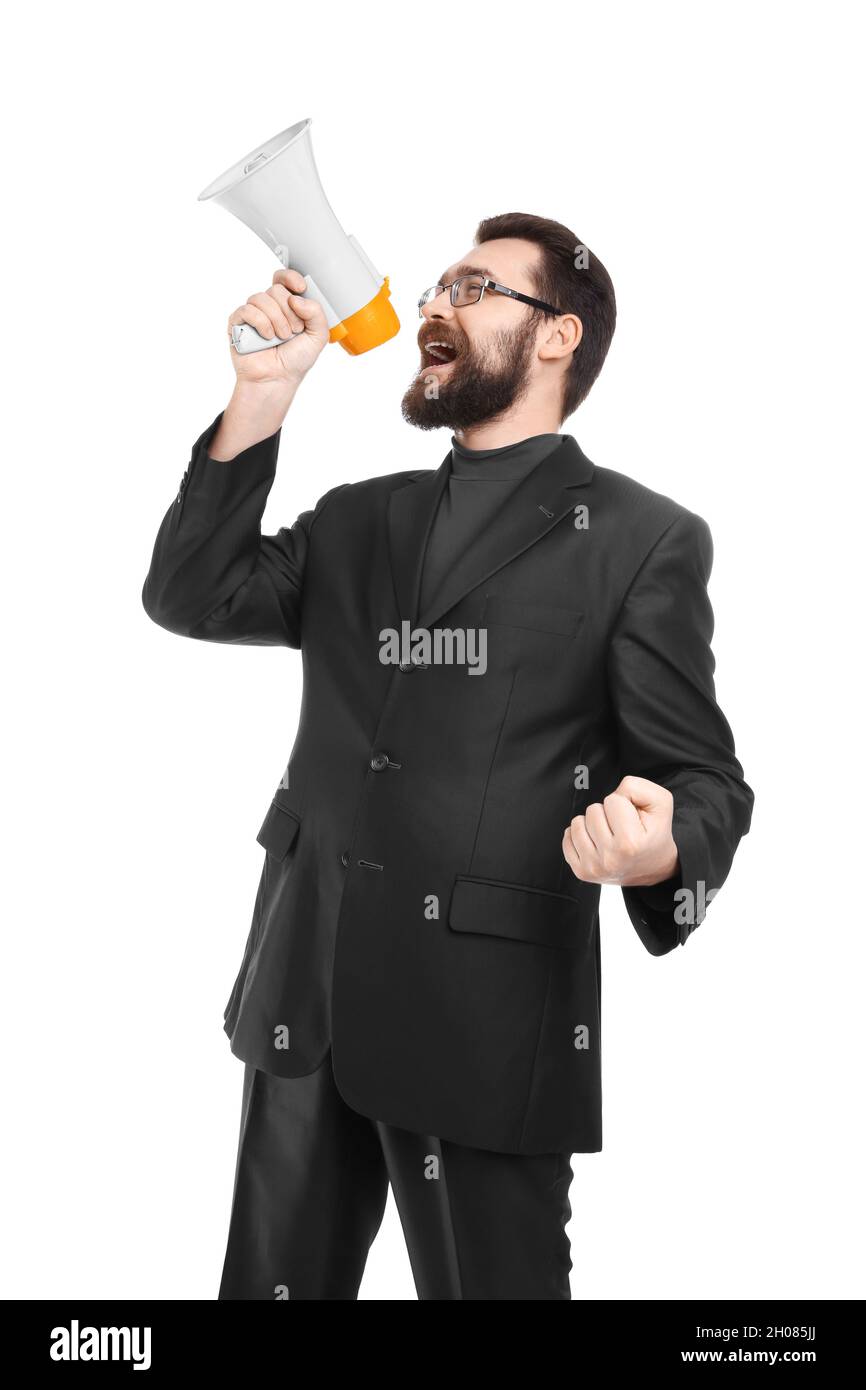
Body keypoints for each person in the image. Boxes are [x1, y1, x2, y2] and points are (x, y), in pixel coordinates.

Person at [143, 212, 753, 1300]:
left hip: (482, 1024)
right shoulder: (355, 519)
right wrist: (262, 397)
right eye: (433, 286)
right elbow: (190, 594)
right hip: (307, 993)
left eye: (472, 289)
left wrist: (664, 852)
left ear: (555, 337)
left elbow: (704, 777)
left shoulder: (639, 538)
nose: (433, 304)